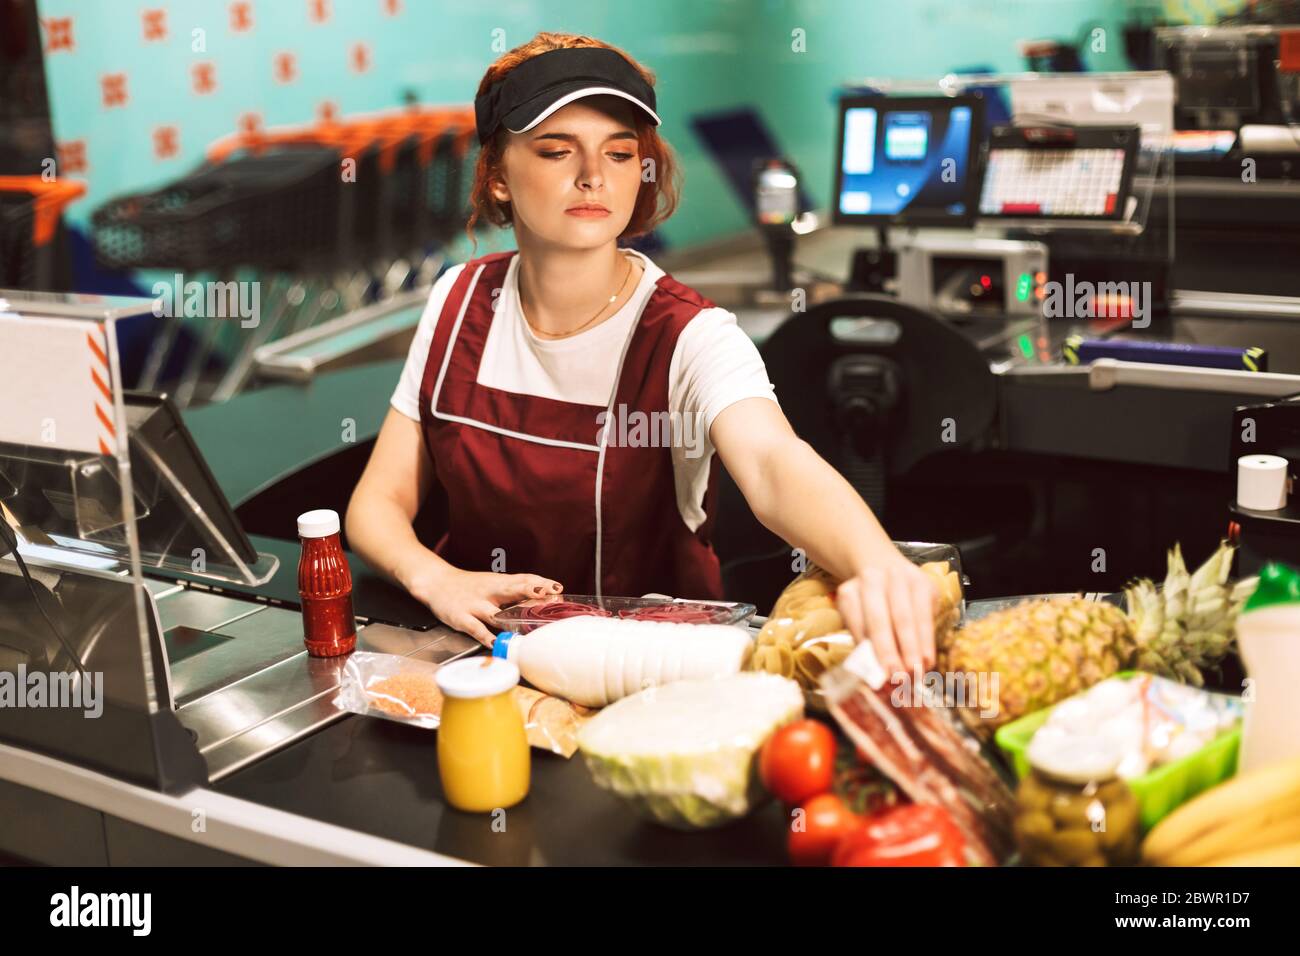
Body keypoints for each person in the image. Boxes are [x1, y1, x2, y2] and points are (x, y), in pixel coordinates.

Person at [346, 32, 939, 676]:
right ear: (496, 179)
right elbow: (377, 504)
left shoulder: (689, 333)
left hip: (650, 671)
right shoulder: (457, 301)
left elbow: (773, 464)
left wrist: (876, 563)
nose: (592, 175)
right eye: (554, 150)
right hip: (481, 659)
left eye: (621, 153)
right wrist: (436, 578)